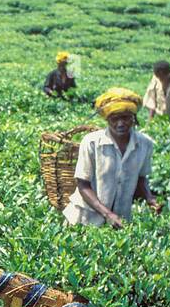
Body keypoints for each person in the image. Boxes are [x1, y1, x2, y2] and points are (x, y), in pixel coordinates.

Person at [63, 88, 161, 229]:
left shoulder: (145, 144)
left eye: (126, 117)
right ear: (107, 119)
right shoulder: (92, 142)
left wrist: (149, 197)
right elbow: (83, 184)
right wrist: (107, 214)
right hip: (85, 219)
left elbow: (141, 177)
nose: (120, 123)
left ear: (133, 118)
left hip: (120, 220)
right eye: (115, 118)